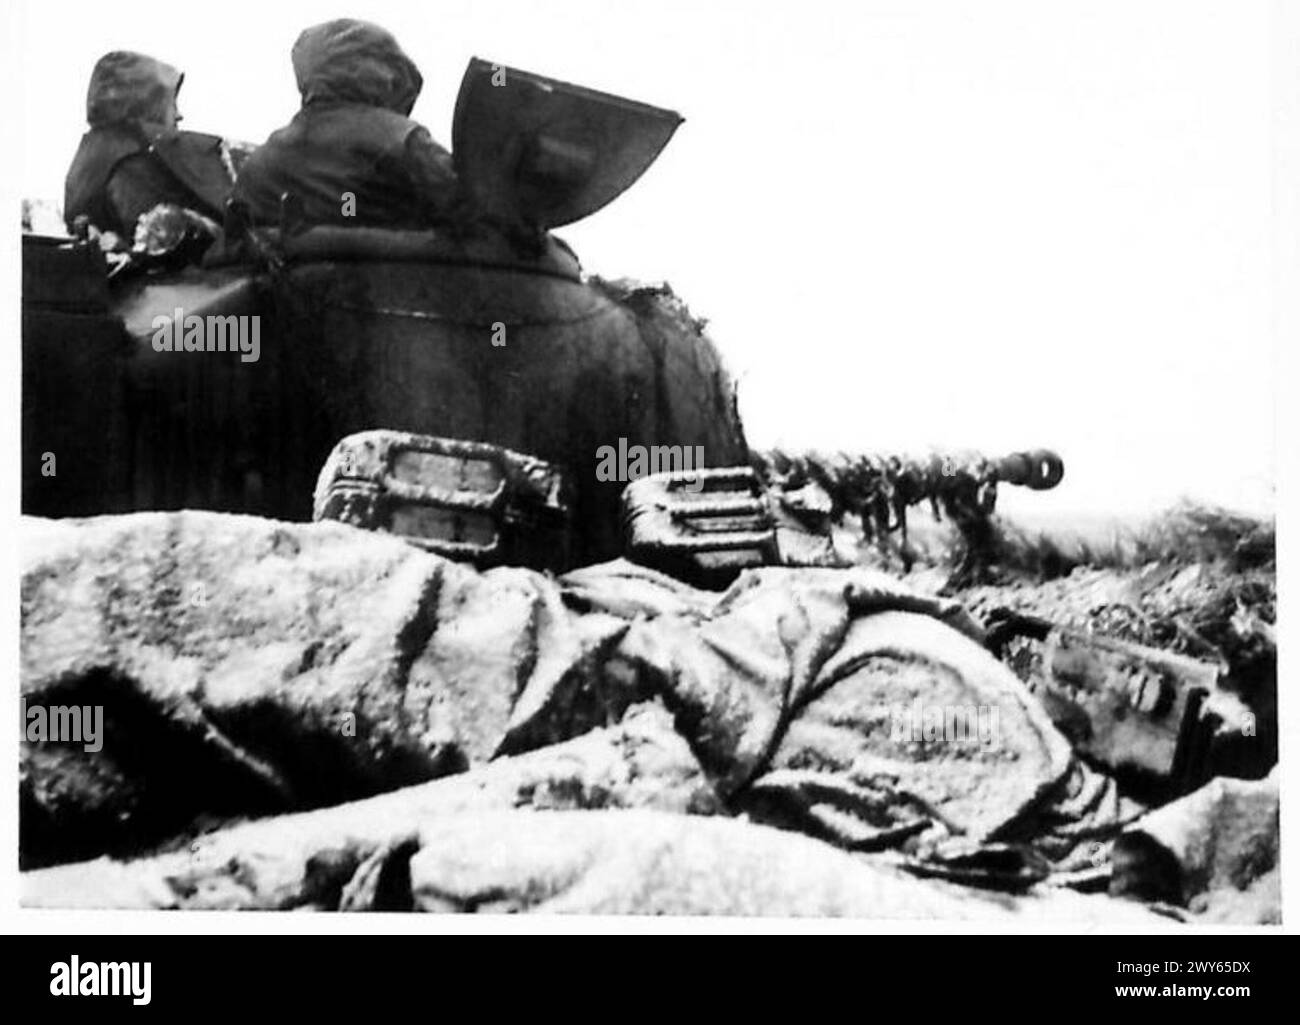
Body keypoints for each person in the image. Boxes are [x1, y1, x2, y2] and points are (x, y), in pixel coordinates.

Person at [230, 19, 461, 229]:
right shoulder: (401, 139)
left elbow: (235, 235)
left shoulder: (263, 159)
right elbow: (473, 211)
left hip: (279, 272)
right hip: (389, 272)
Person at [64, 51, 236, 242]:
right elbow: (159, 240)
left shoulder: (91, 158)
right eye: (171, 103)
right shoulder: (134, 163)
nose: (179, 115)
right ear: (146, 104)